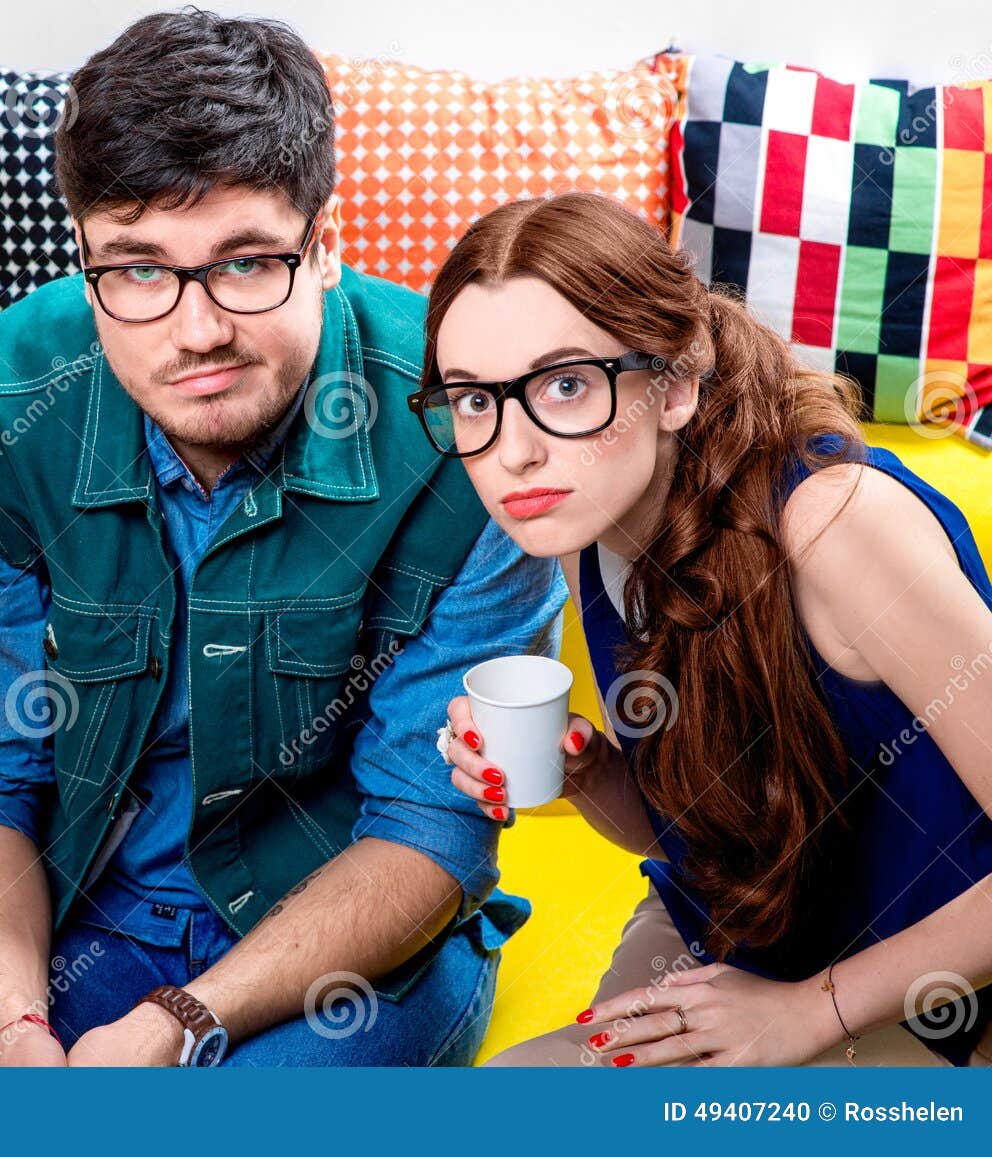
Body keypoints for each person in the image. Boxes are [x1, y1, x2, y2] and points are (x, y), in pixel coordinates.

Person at [0, 9, 566, 1068]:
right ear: (85, 260)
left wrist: (179, 1022)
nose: (195, 331)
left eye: (244, 263)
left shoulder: (463, 424)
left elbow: (428, 825)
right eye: (138, 270)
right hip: (63, 911)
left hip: (341, 936)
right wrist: (16, 1023)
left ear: (323, 245)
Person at [417, 190, 992, 1067]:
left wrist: (808, 1013)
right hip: (744, 939)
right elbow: (709, 843)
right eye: (473, 401)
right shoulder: (584, 528)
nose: (513, 451)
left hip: (934, 990)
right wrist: (592, 776)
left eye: (565, 385)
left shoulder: (836, 524)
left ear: (677, 382)